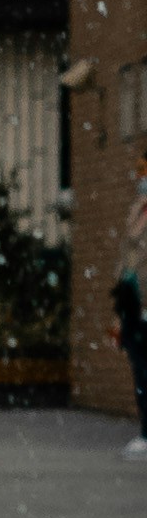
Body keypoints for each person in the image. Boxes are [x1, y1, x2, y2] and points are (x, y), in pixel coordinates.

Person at [110, 148, 147, 456]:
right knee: (141, 371)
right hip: (134, 306)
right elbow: (127, 261)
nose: (141, 177)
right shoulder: (137, 211)